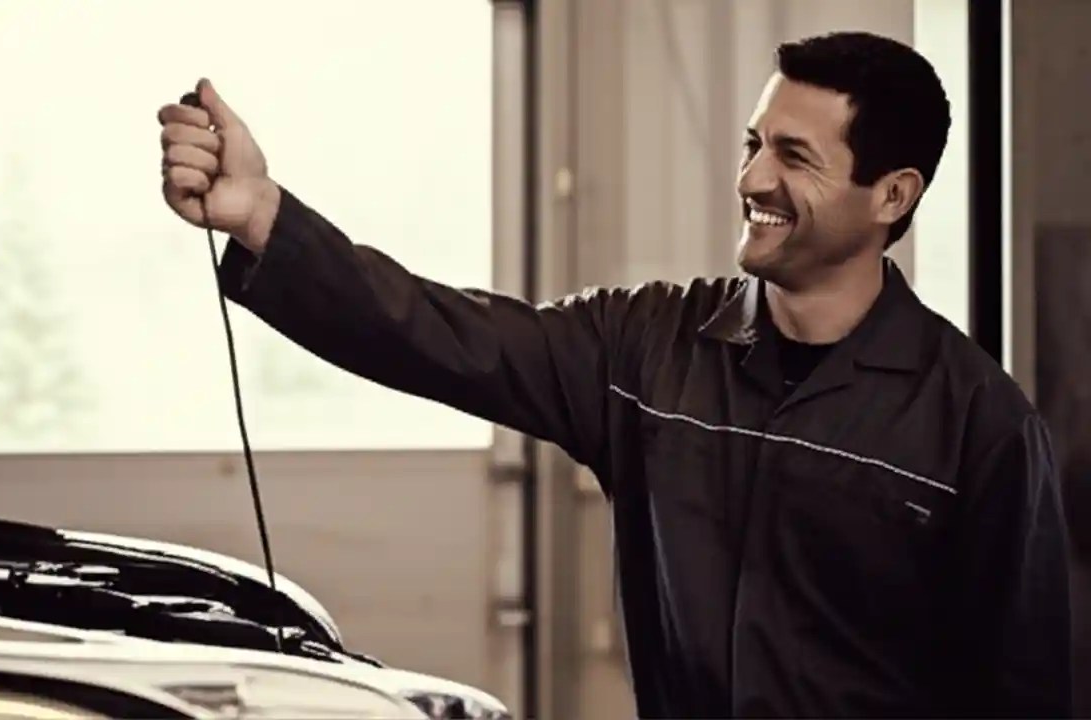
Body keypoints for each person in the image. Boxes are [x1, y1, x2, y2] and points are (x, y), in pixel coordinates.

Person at [157, 31, 1073, 718]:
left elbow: (1022, 692)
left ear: (893, 196)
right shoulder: (646, 347)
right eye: (755, 142)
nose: (754, 176)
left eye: (795, 156)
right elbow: (433, 331)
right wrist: (264, 217)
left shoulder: (977, 422)